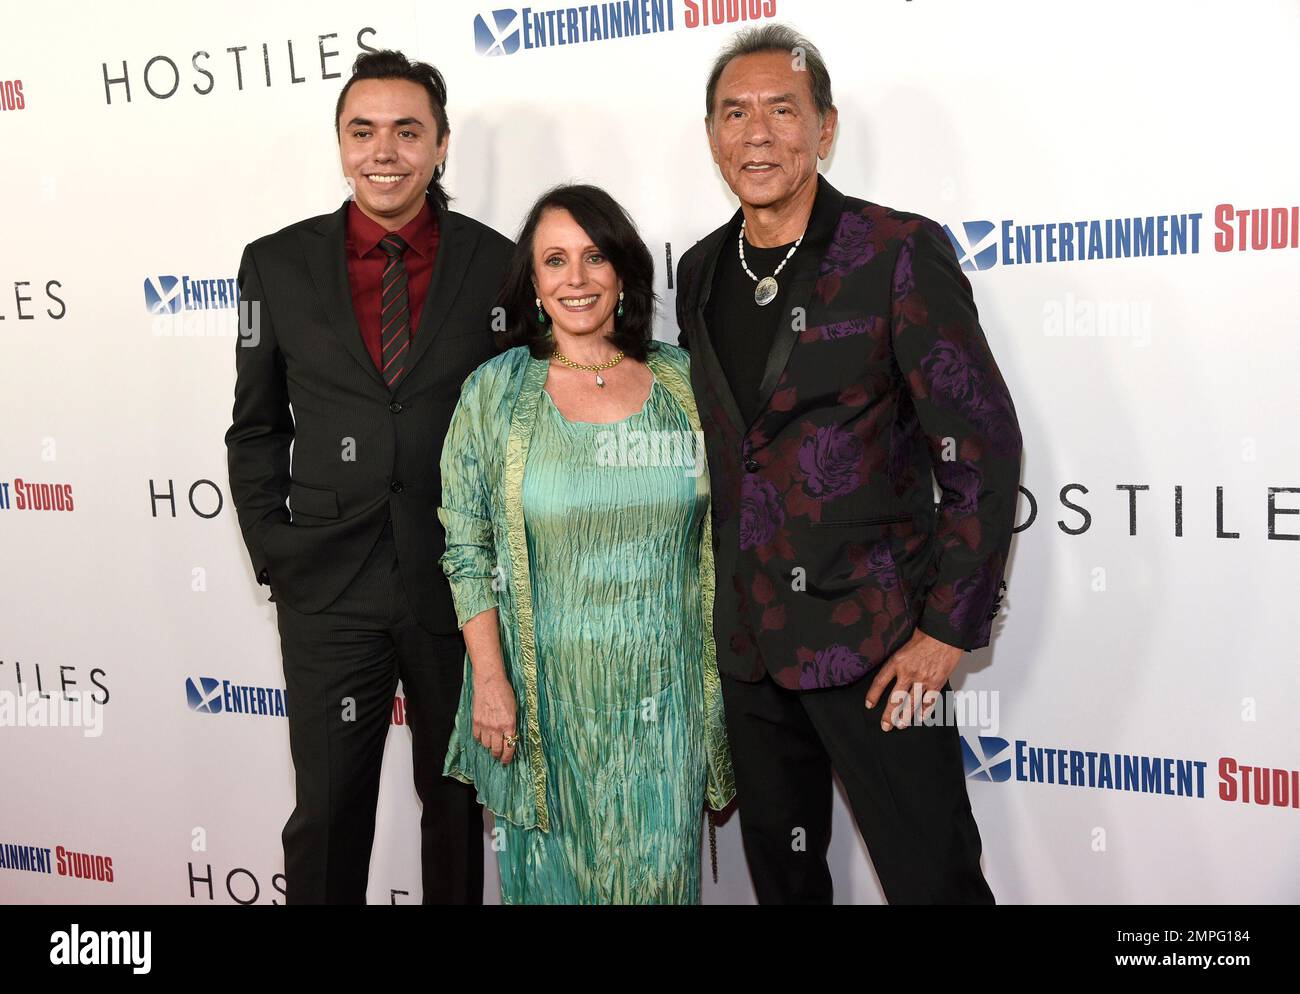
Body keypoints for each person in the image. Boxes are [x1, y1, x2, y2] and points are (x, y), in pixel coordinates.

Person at [675, 24, 1023, 904]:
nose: (757, 133)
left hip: (879, 648)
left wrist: (946, 631)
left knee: (933, 879)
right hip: (752, 653)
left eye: (782, 110)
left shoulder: (896, 250)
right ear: (712, 136)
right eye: (735, 113)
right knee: (785, 883)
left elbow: (981, 444)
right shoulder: (702, 270)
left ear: (825, 129)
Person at [224, 49, 513, 904]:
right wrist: (278, 551)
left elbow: (515, 428)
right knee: (325, 814)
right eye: (363, 131)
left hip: (454, 586)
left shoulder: (498, 261)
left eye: (406, 131)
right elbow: (255, 426)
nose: (383, 151)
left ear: (441, 145)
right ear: (340, 143)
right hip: (328, 587)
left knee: (457, 807)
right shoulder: (272, 265)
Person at [438, 184, 735, 904]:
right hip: (544, 711)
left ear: (625, 272)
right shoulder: (496, 391)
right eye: (555, 260)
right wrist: (492, 681)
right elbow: (467, 548)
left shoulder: (686, 381)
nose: (576, 278)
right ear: (534, 284)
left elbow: (736, 527)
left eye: (594, 256)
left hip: (666, 708)